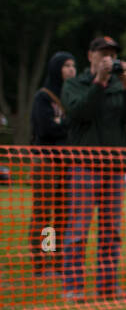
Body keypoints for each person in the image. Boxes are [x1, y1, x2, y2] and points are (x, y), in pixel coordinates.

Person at [60, 35, 126, 302]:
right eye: (103, 53)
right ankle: (73, 286)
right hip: (86, 166)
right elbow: (79, 112)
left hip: (115, 167)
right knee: (79, 229)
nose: (108, 58)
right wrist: (99, 83)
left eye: (112, 54)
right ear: (90, 56)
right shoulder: (75, 85)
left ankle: (108, 286)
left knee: (112, 230)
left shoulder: (120, 86)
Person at [28, 50, 76, 278]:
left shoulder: (71, 95)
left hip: (66, 163)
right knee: (43, 214)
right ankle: (41, 261)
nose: (71, 70)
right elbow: (46, 128)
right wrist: (66, 124)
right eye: (66, 66)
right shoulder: (44, 96)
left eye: (73, 66)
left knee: (63, 214)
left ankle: (58, 259)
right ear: (56, 68)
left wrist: (63, 124)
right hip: (46, 161)